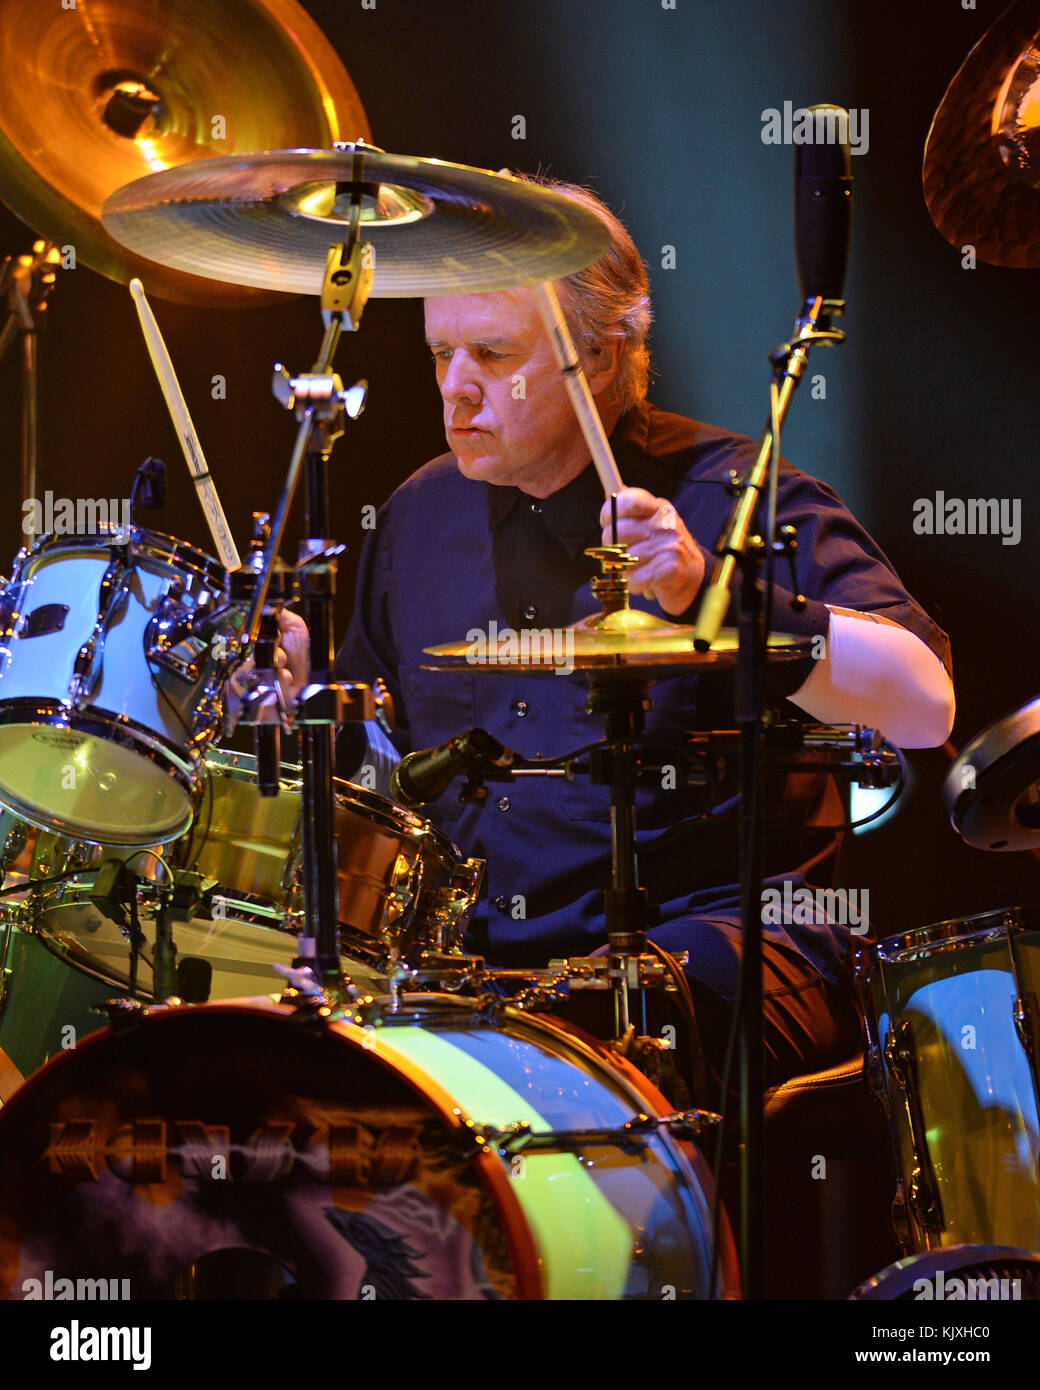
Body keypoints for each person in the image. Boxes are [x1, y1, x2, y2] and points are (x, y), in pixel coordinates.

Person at [272, 177, 954, 1105]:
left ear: (595, 357)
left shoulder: (737, 496)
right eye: (439, 353)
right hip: (482, 974)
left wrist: (704, 588)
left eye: (491, 353)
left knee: (576, 1041)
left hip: (721, 949)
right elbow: (382, 774)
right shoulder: (418, 514)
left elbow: (923, 702)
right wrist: (305, 698)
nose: (454, 388)